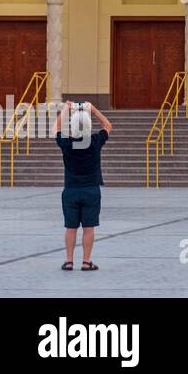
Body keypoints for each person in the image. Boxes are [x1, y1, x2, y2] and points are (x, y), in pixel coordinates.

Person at [53, 101, 112, 272]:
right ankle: (86, 262)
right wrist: (93, 109)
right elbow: (108, 125)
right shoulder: (95, 141)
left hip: (71, 190)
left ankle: (69, 261)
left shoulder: (66, 143)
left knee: (70, 228)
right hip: (91, 190)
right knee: (88, 228)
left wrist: (65, 110)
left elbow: (55, 128)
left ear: (72, 127)